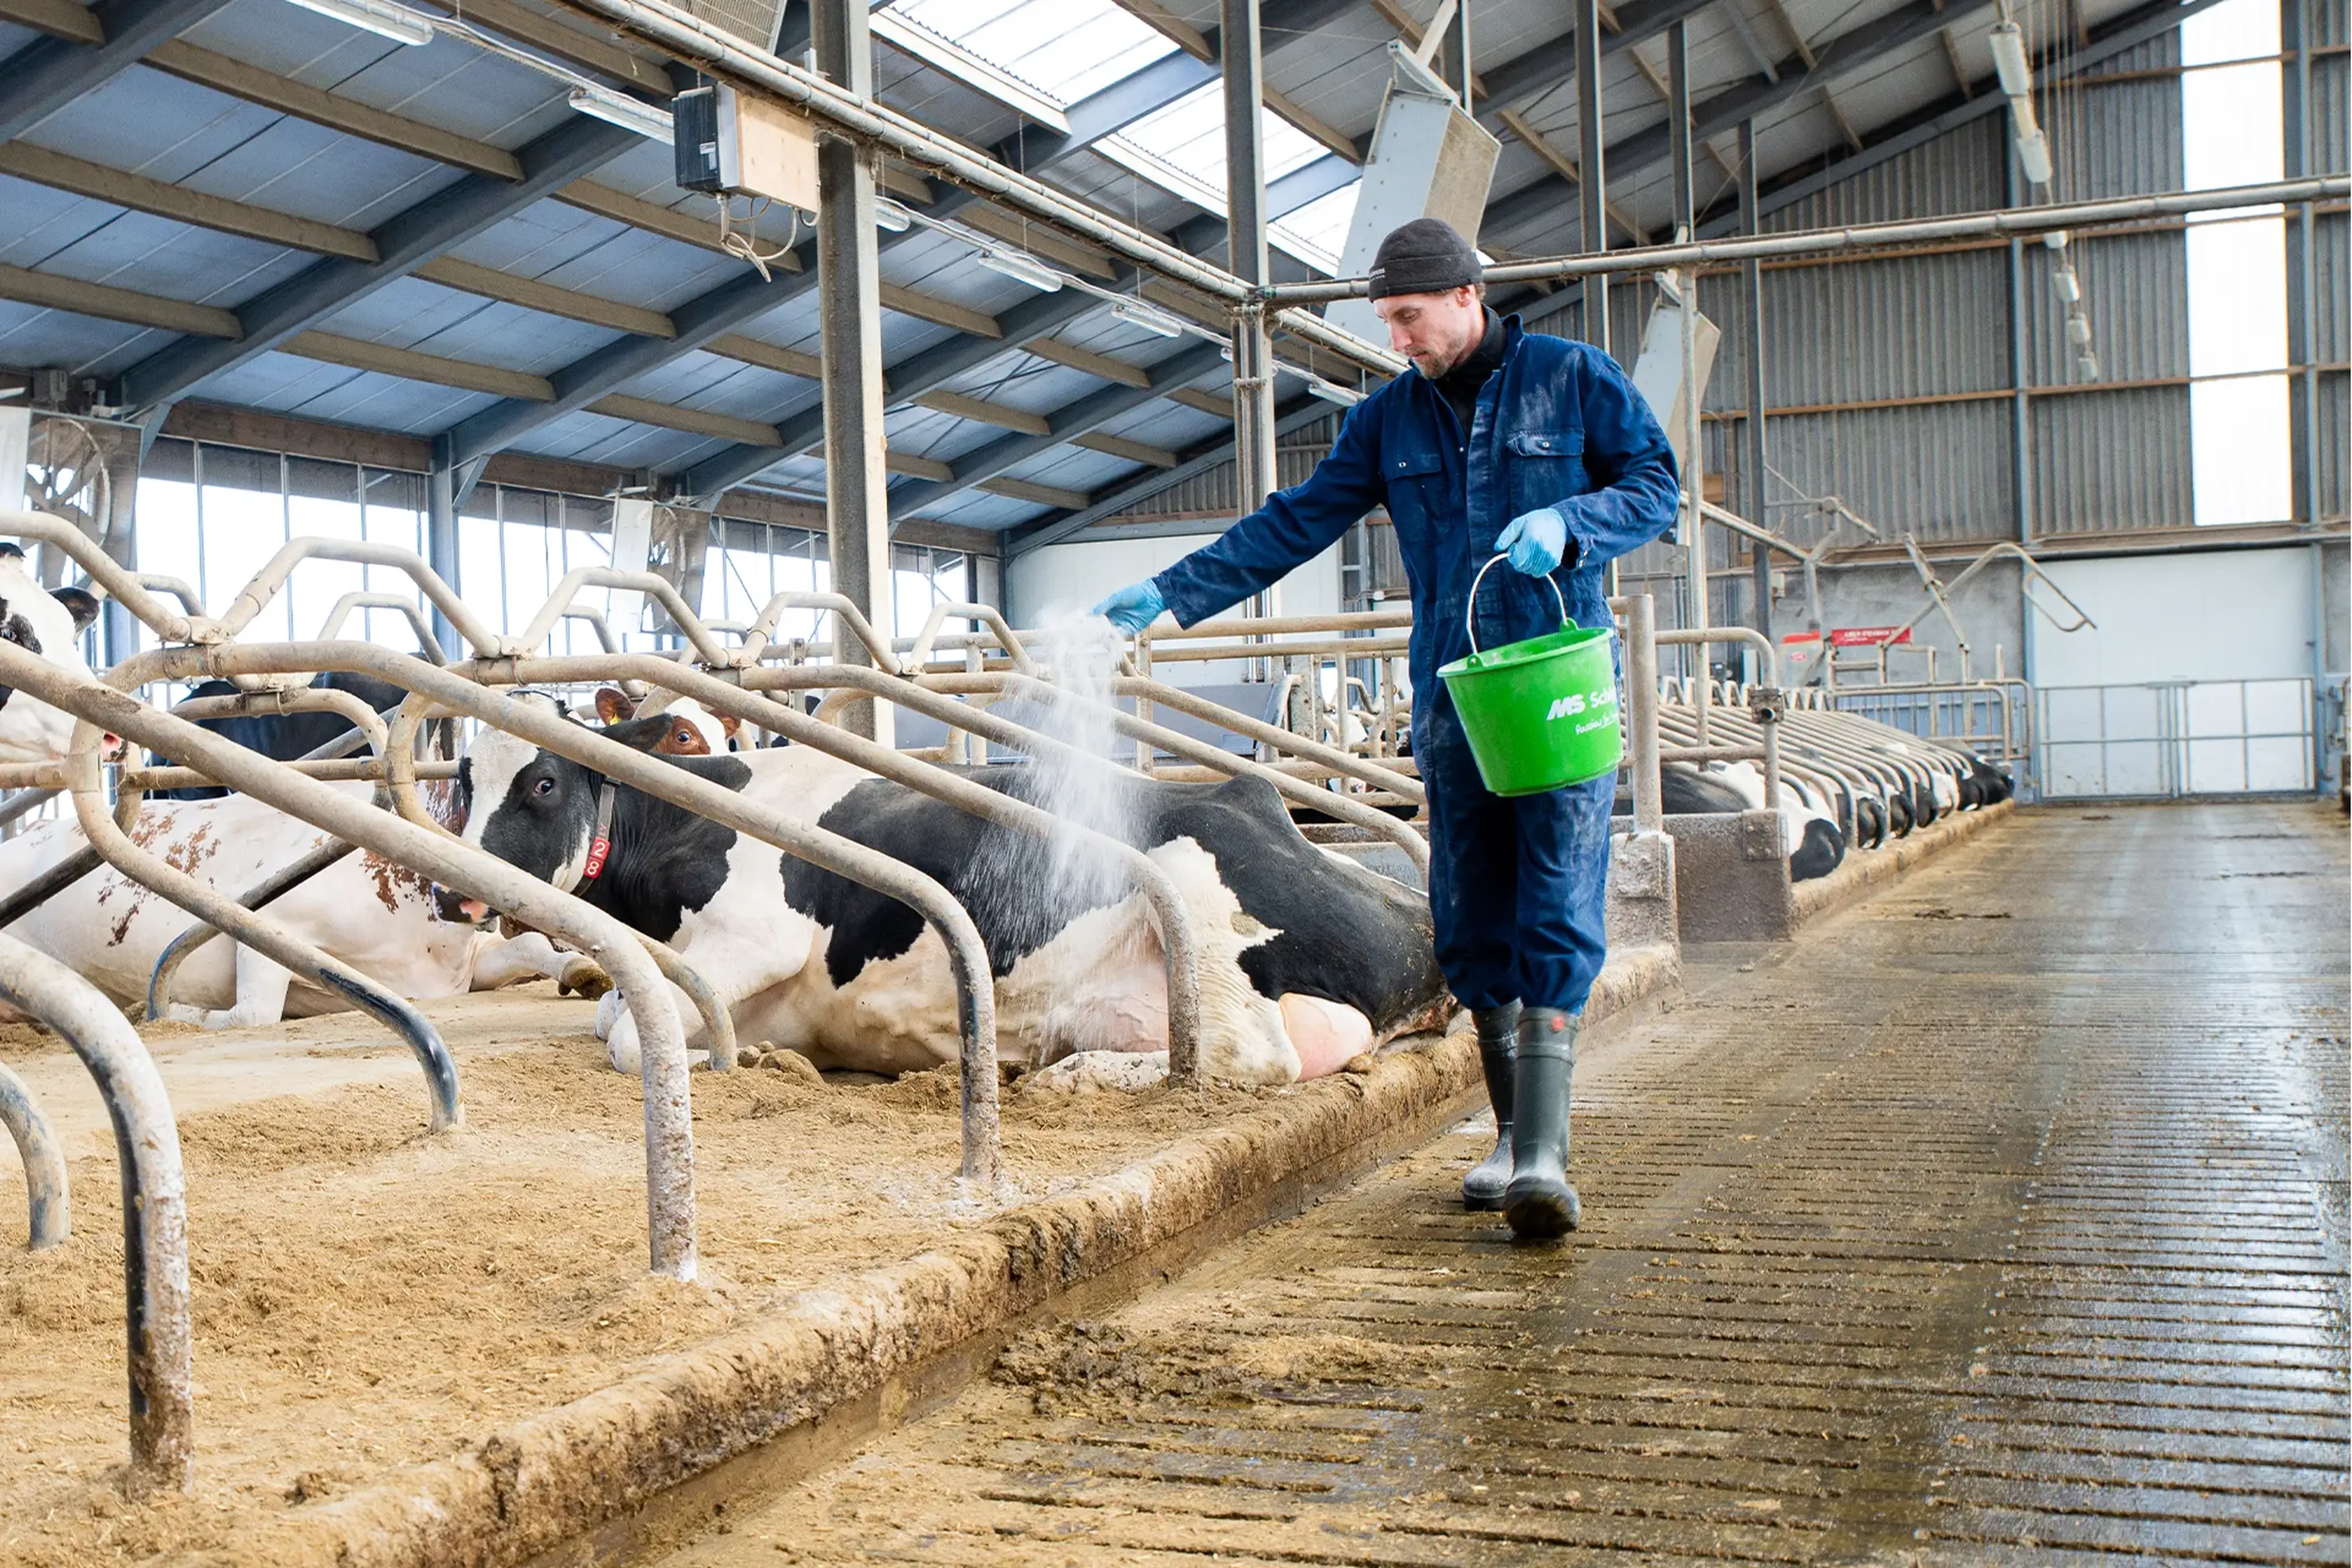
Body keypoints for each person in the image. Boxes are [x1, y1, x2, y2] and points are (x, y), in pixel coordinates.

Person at [1093, 217, 1680, 1240]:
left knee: (1553, 900)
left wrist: (1572, 523)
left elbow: (1655, 489)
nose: (1399, 340)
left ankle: (1545, 1152)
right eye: (1388, 323)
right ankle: (1509, 1138)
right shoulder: (1390, 423)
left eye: (1410, 318)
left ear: (1466, 296)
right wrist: (1172, 595)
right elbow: (1295, 520)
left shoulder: (1574, 379)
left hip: (1555, 690)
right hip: (1454, 700)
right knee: (1467, 915)